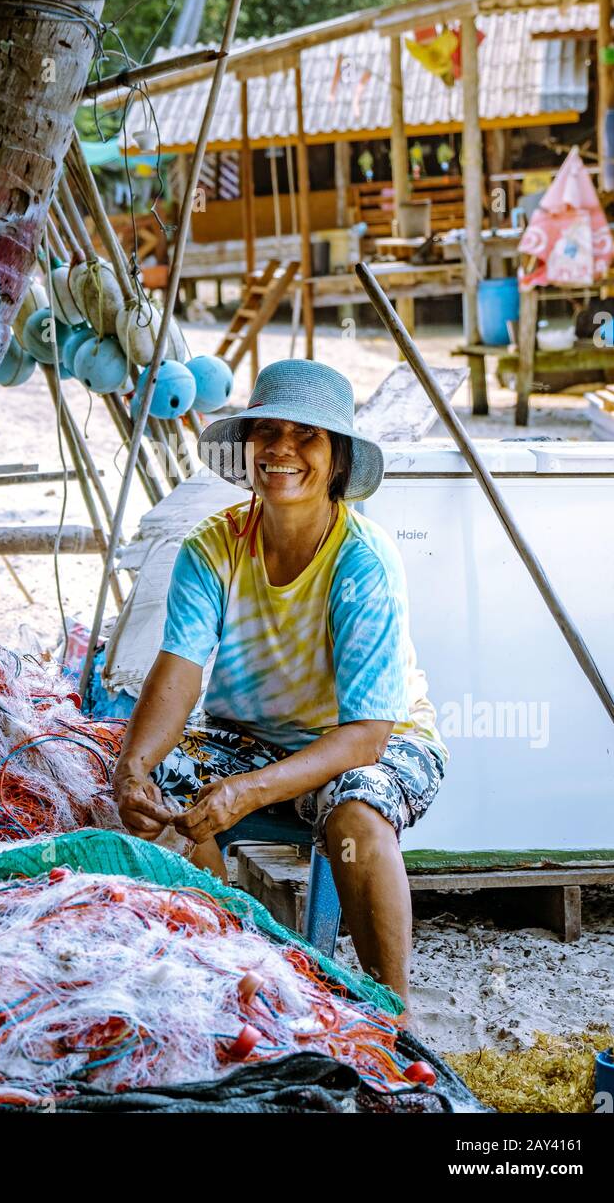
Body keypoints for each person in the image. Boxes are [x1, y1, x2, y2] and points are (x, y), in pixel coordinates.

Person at [113, 360, 447, 1008]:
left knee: (356, 813)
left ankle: (394, 1019)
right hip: (254, 741)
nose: (283, 450)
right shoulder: (213, 547)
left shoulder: (363, 559)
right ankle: (236, 975)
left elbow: (365, 738)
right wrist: (134, 767)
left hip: (377, 744)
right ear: (247, 450)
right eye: (267, 431)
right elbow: (177, 675)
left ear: (339, 461)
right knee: (160, 803)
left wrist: (248, 789)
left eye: (308, 436)